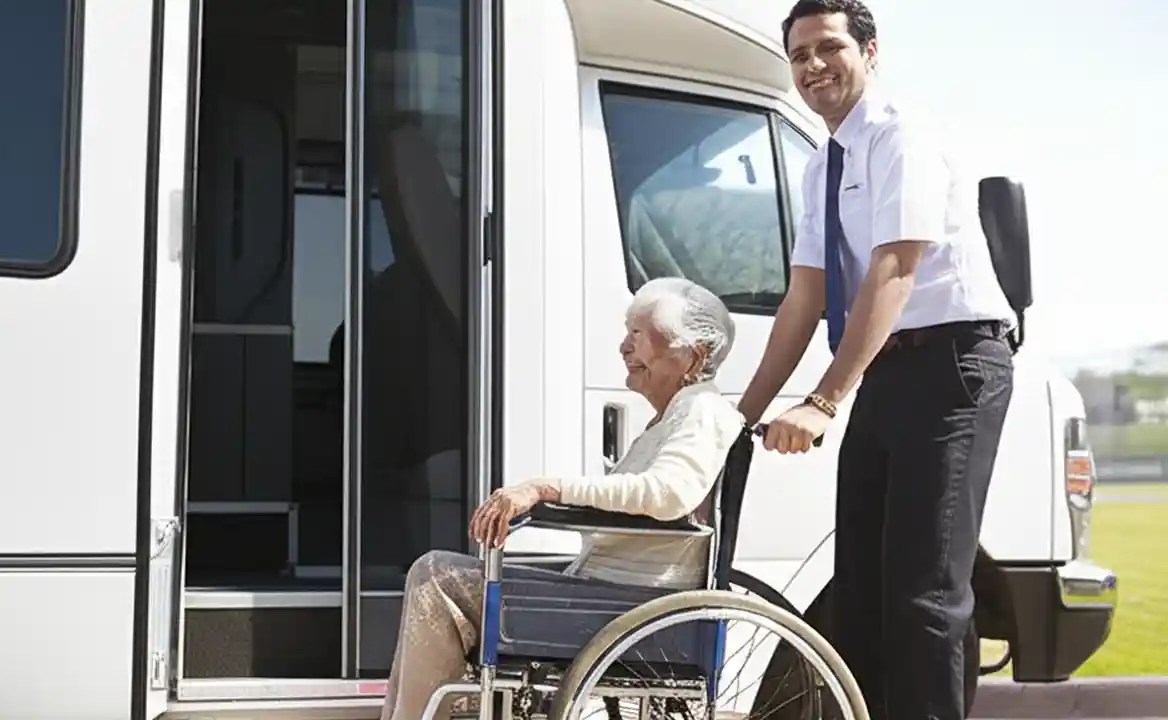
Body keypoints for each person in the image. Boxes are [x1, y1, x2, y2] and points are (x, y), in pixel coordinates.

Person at [737, 2, 1018, 719]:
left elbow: (894, 268)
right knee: (860, 592)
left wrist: (824, 399)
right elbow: (805, 298)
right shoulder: (821, 168)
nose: (814, 67)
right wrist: (735, 417)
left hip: (955, 366)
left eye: (829, 48)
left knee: (924, 592)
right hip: (889, 373)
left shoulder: (901, 134)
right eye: (800, 56)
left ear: (870, 51)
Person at [381, 277, 743, 720]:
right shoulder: (675, 415)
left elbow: (668, 495)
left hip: (632, 607)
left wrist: (547, 488)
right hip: (611, 595)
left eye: (639, 335)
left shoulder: (702, 410)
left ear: (694, 355)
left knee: (436, 576)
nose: (624, 348)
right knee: (438, 575)